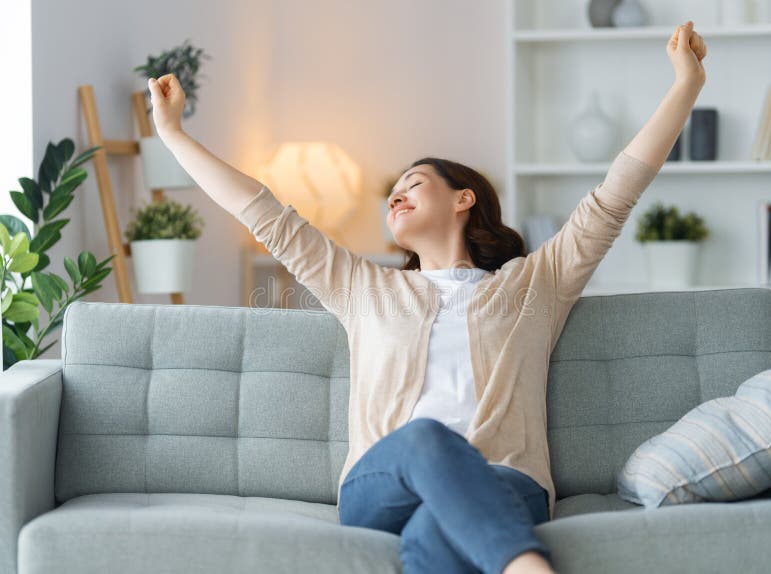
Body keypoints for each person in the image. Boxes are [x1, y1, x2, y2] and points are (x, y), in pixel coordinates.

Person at [147, 20, 706, 574]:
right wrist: (173, 135)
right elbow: (265, 214)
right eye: (392, 193)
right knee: (425, 440)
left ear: (464, 198)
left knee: (433, 533)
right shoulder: (366, 288)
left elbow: (616, 195)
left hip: (506, 479)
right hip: (382, 483)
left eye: (413, 183)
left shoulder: (535, 284)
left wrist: (686, 85)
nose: (396, 195)